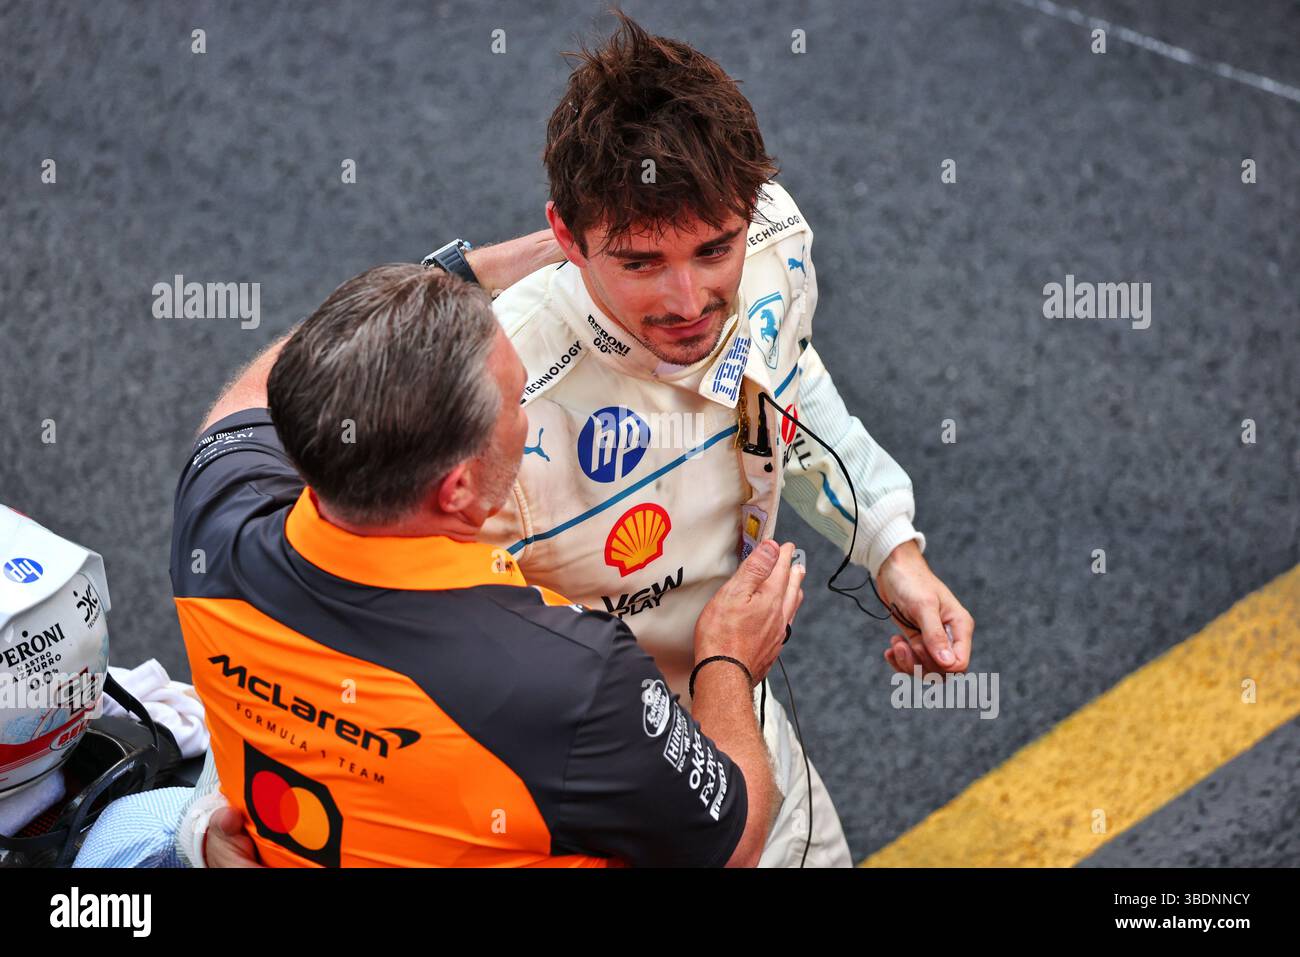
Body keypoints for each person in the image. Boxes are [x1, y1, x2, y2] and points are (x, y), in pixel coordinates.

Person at [431, 13, 973, 867]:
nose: (689, 300)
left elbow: (788, 382)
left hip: (742, 718)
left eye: (713, 248)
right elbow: (356, 600)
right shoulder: (491, 390)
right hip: (575, 800)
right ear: (566, 238)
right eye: (642, 262)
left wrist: (888, 545)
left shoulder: (777, 249)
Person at [168, 262, 803, 866]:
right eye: (516, 403)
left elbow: (258, 388)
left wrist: (464, 272)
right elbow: (734, 840)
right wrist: (726, 661)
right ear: (459, 491)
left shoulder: (220, 519)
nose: (528, 421)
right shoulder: (570, 680)